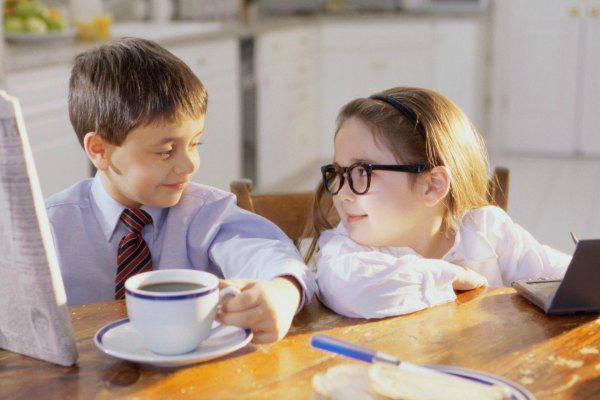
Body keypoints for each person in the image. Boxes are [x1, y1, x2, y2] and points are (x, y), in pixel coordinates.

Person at [45, 38, 316, 343]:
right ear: (99, 150)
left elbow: (273, 255)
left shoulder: (205, 213)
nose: (189, 165)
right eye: (166, 151)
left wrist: (281, 291)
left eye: (194, 143)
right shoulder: (49, 229)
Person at [309, 87, 569, 319]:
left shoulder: (485, 231)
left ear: (433, 185)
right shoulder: (345, 250)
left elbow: (564, 277)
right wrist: (453, 276)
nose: (342, 193)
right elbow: (354, 289)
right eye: (338, 173)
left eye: (362, 171)